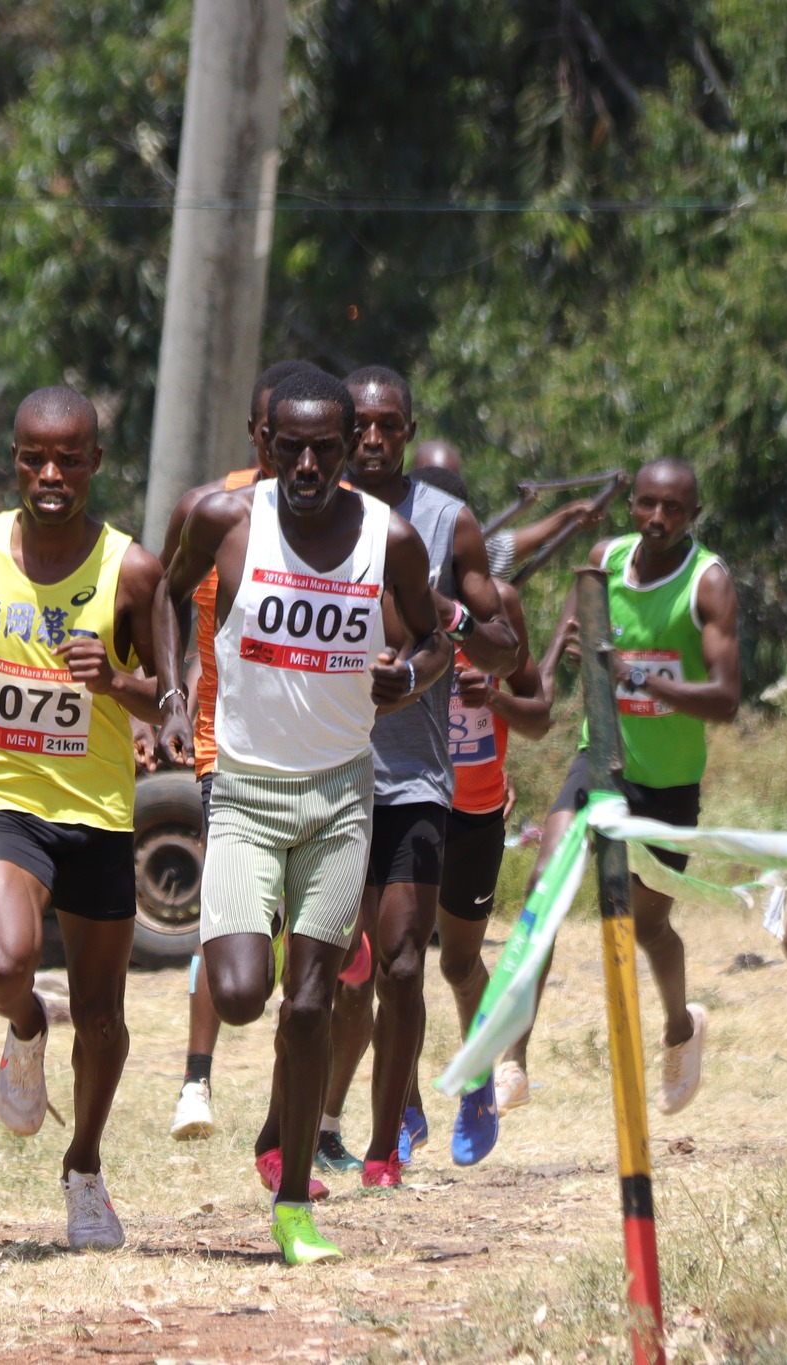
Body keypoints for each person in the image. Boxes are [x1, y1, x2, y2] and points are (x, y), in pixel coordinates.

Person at [155, 367, 456, 1265]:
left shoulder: (388, 538)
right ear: (268, 446)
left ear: (352, 445)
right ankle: (276, 930)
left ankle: (293, 1206)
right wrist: (175, 692)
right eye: (293, 447)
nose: (313, 463)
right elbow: (168, 594)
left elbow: (442, 634)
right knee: (245, 992)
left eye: (329, 446)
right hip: (245, 793)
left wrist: (413, 676)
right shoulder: (225, 522)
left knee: (312, 1001)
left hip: (340, 797)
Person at [0, 385, 176, 1252]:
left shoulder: (131, 570)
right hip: (5, 795)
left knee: (104, 1015)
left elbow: (171, 705)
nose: (50, 473)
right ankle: (26, 1028)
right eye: (35, 456)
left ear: (95, 465)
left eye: (69, 458)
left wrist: (114, 683)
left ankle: (84, 1171)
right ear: (14, 460)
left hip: (99, 811)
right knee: (1, 963)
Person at [498, 459, 739, 1117]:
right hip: (598, 762)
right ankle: (513, 1056)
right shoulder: (603, 561)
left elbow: (725, 698)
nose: (658, 519)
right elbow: (550, 675)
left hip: (668, 783)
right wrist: (553, 668)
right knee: (544, 888)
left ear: (693, 513)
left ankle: (680, 1029)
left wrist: (642, 678)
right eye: (647, 505)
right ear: (631, 506)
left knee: (646, 922)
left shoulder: (707, 582)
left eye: (673, 509)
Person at [326, 366, 519, 1186]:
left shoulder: (448, 522)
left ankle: (387, 1141)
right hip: (327, 770)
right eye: (360, 425)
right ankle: (385, 1100)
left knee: (407, 958)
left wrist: (457, 623)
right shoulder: (305, 512)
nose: (373, 439)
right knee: (351, 965)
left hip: (413, 778)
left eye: (389, 425)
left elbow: (504, 641)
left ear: (407, 431)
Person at [160, 357, 315, 1142]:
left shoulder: (334, 515)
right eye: (270, 433)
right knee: (227, 919)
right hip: (228, 745)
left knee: (300, 936)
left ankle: (288, 1118)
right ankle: (196, 1079)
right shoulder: (218, 509)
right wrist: (175, 695)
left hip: (315, 755)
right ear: (258, 432)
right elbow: (181, 604)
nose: (284, 449)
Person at [439, 576, 551, 1164]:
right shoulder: (381, 586)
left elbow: (539, 718)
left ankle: (478, 1076)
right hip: (401, 802)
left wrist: (495, 699)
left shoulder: (498, 606)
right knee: (390, 960)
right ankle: (398, 1116)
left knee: (458, 963)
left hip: (477, 813)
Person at [409, 440, 608, 581]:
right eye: (431, 487)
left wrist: (569, 514)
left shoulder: (465, 542)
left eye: (448, 489)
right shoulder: (393, 533)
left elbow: (507, 545)